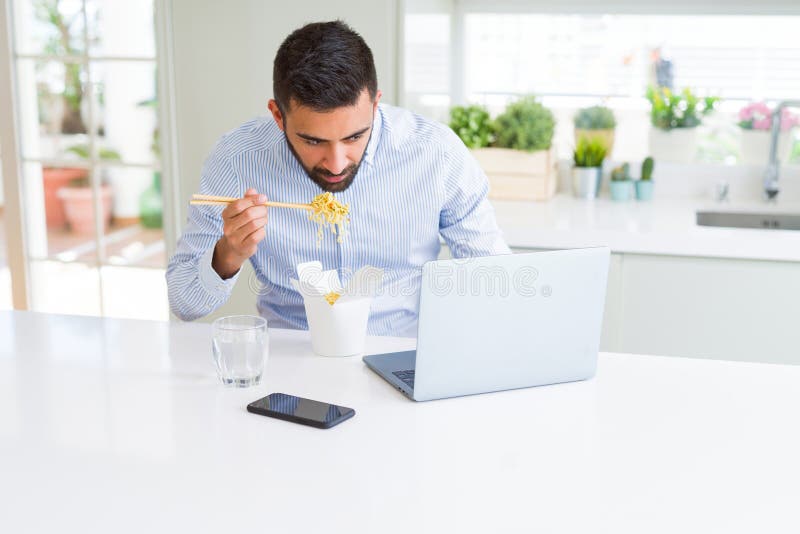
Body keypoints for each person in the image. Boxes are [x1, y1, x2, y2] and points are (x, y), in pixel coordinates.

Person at [167, 20, 510, 337]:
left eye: (354, 137)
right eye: (313, 141)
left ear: (375, 106)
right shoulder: (238, 159)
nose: (335, 163)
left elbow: (496, 279)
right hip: (291, 357)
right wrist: (228, 254)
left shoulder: (436, 153)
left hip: (400, 352)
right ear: (278, 115)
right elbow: (184, 303)